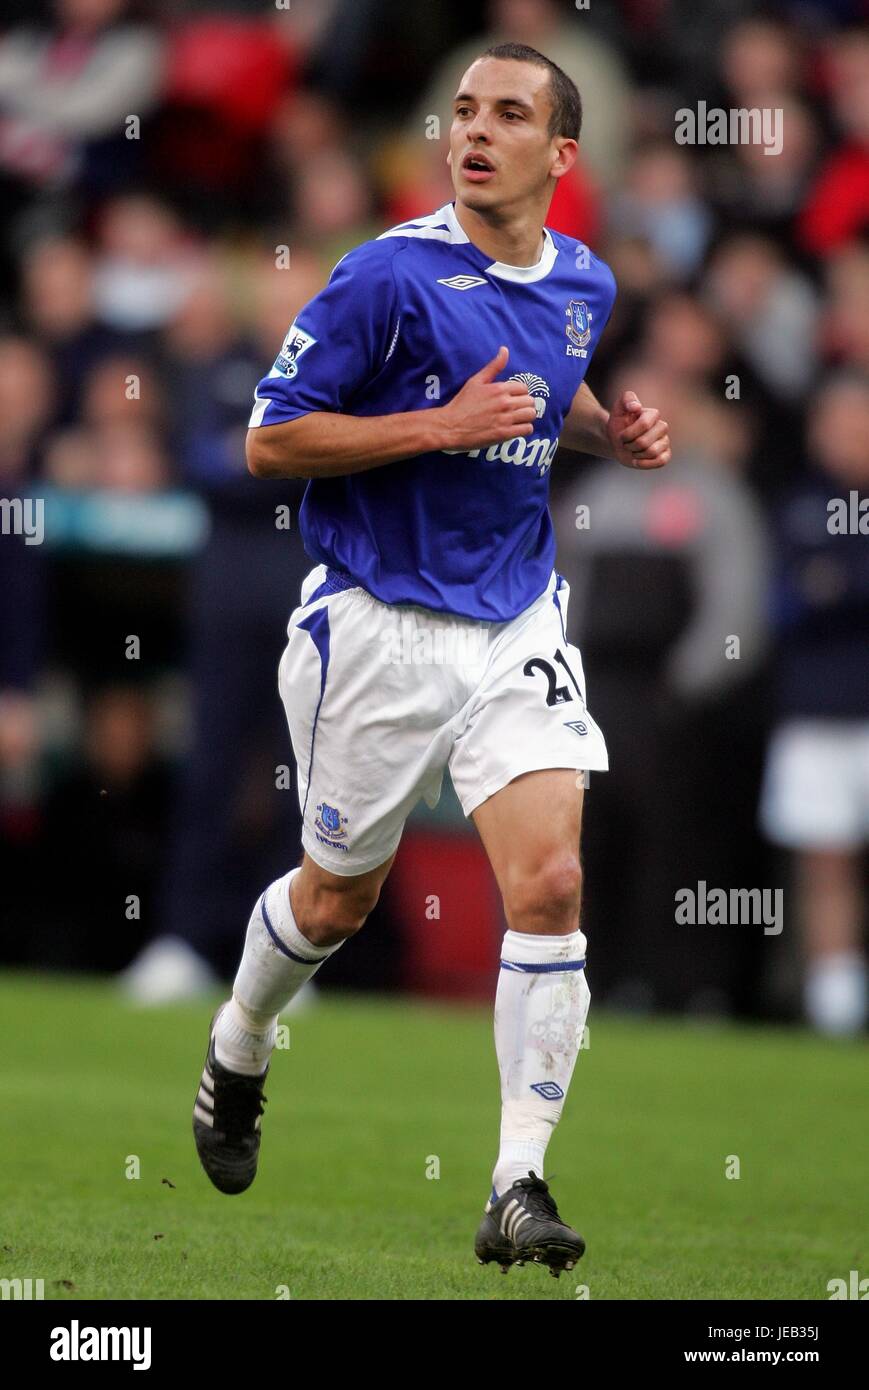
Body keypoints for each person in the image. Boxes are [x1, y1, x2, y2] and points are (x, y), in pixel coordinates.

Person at [191, 43, 671, 1277]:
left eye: (508, 113)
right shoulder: (384, 275)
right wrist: (437, 426)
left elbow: (543, 386)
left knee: (552, 880)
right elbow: (266, 438)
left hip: (514, 618)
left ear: (560, 155)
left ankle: (515, 1181)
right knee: (335, 897)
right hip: (374, 624)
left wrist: (609, 435)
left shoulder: (582, 281)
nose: (475, 129)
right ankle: (240, 1040)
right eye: (463, 109)